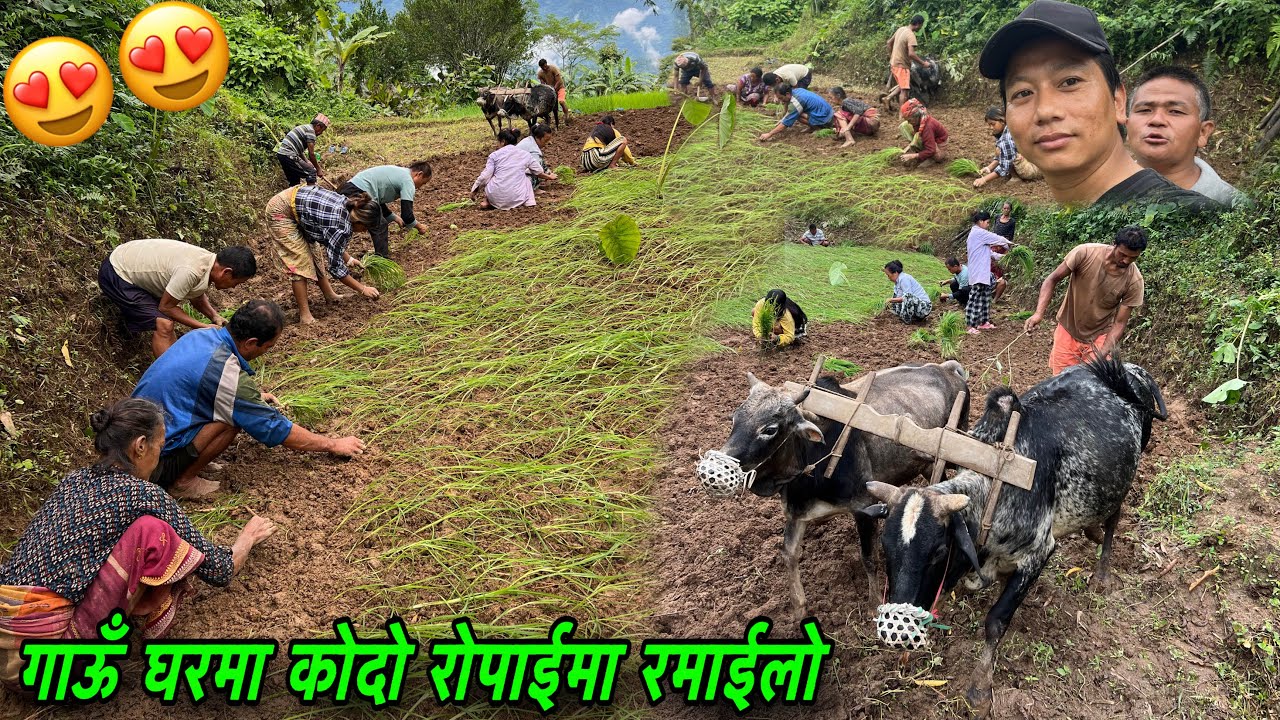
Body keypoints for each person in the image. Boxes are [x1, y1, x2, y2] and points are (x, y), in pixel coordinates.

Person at [0, 397, 276, 687]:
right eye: (160, 445)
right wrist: (247, 538)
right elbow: (220, 570)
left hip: (6, 643)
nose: (160, 454)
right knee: (150, 531)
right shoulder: (142, 494)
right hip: (51, 668)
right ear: (140, 445)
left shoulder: (73, 481)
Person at [977, 0, 1218, 209]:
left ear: (1118, 101)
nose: (1045, 111)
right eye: (1023, 92)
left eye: (1070, 81)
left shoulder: (1195, 220)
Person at [132, 300, 368, 498]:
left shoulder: (204, 335)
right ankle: (182, 482)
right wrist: (332, 444)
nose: (267, 351)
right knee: (234, 418)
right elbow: (274, 427)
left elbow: (196, 385)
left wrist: (251, 397)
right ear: (251, 343)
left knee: (234, 407)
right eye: (269, 346)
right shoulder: (226, 373)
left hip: (131, 442)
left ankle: (188, 463)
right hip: (149, 465)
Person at [99, 240, 257, 358]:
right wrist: (201, 326)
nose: (234, 287)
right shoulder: (191, 271)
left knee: (167, 326)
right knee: (164, 324)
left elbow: (195, 293)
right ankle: (166, 376)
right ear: (226, 272)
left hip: (125, 259)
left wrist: (213, 316)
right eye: (236, 283)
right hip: (116, 273)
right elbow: (166, 307)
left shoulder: (207, 262)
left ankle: (175, 363)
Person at [1025, 226, 1146, 375]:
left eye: (1133, 257)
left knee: (1094, 385)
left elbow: (1120, 323)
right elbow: (1052, 279)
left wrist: (1100, 356)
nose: (1126, 260)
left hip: (1099, 337)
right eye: (1122, 254)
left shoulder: (1134, 281)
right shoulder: (1086, 253)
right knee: (1062, 382)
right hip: (1068, 329)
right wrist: (1038, 313)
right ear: (1114, 244)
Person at [1126, 65, 1245, 206]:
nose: (1156, 120)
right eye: (1145, 110)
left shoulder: (1233, 208)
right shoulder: (1099, 193)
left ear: (1203, 132)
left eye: (1175, 111)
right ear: (1127, 126)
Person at [265, 184, 382, 325]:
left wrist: (349, 259)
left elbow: (331, 241)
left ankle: (330, 295)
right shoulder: (341, 226)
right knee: (300, 262)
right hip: (281, 211)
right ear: (359, 221)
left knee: (315, 254)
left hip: (298, 205)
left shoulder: (350, 207)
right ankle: (305, 315)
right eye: (365, 228)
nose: (364, 232)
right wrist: (363, 289)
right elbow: (336, 269)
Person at [336, 161, 432, 259]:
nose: (420, 187)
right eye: (423, 183)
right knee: (379, 224)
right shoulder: (408, 181)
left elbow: (377, 202)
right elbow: (407, 215)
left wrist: (393, 217)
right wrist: (420, 227)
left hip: (349, 188)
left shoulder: (399, 173)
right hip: (358, 192)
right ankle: (382, 260)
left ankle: (337, 251)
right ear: (419, 174)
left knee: (340, 223)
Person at [472, 129, 558, 210]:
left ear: (502, 142)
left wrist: (474, 191)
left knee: (491, 177)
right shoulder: (525, 154)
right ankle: (529, 202)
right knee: (526, 179)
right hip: (517, 198)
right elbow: (538, 171)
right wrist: (549, 177)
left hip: (496, 199)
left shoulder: (494, 155)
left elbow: (485, 177)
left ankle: (487, 201)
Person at [964, 210, 1010, 333]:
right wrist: (1010, 244)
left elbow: (990, 253)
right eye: (987, 222)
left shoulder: (979, 236)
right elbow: (997, 238)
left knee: (985, 297)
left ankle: (983, 322)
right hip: (978, 271)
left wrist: (1006, 257)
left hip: (983, 272)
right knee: (975, 298)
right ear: (980, 222)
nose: (988, 225)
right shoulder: (978, 233)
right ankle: (970, 325)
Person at [973, 107, 1042, 188]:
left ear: (1002, 121)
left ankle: (1016, 178)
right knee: (1000, 151)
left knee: (1002, 152)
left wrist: (984, 179)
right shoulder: (1009, 128)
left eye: (993, 124)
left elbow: (1004, 167)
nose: (991, 127)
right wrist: (989, 168)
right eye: (989, 125)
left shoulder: (1007, 138)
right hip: (1037, 160)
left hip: (1034, 169)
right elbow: (1003, 156)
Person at [881, 15, 930, 108]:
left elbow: (888, 43)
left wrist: (892, 56)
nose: (921, 27)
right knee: (905, 91)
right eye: (921, 25)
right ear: (918, 24)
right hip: (902, 66)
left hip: (894, 63)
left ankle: (888, 98)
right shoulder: (911, 35)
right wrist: (924, 64)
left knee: (903, 84)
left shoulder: (901, 29)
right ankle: (902, 115)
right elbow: (911, 54)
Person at [758, 84, 834, 141]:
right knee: (795, 112)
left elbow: (786, 122)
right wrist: (783, 119)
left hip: (825, 118)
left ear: (787, 94)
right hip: (828, 112)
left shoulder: (796, 102)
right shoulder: (796, 91)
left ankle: (817, 128)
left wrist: (769, 134)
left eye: (781, 98)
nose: (781, 100)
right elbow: (787, 109)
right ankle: (813, 126)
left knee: (797, 115)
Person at [275, 114, 329, 187]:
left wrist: (306, 161)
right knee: (311, 173)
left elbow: (299, 150)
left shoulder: (306, 128)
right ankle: (310, 195)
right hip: (288, 155)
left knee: (294, 180)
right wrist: (318, 169)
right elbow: (311, 154)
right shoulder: (311, 132)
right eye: (322, 130)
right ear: (318, 126)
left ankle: (293, 196)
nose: (321, 133)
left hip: (282, 154)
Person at [898, 101, 948, 166]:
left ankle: (931, 157)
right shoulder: (920, 119)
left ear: (916, 116)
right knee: (904, 126)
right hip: (930, 138)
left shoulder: (927, 127)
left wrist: (913, 156)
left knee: (936, 157)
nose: (909, 122)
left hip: (938, 144)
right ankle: (919, 149)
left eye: (909, 120)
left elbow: (931, 150)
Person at [516, 124, 553, 190]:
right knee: (535, 175)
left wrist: (548, 172)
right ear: (538, 138)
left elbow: (541, 162)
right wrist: (549, 177)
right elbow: (536, 171)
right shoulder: (534, 150)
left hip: (514, 172)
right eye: (546, 141)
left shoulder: (529, 140)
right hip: (515, 177)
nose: (548, 143)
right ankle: (533, 189)